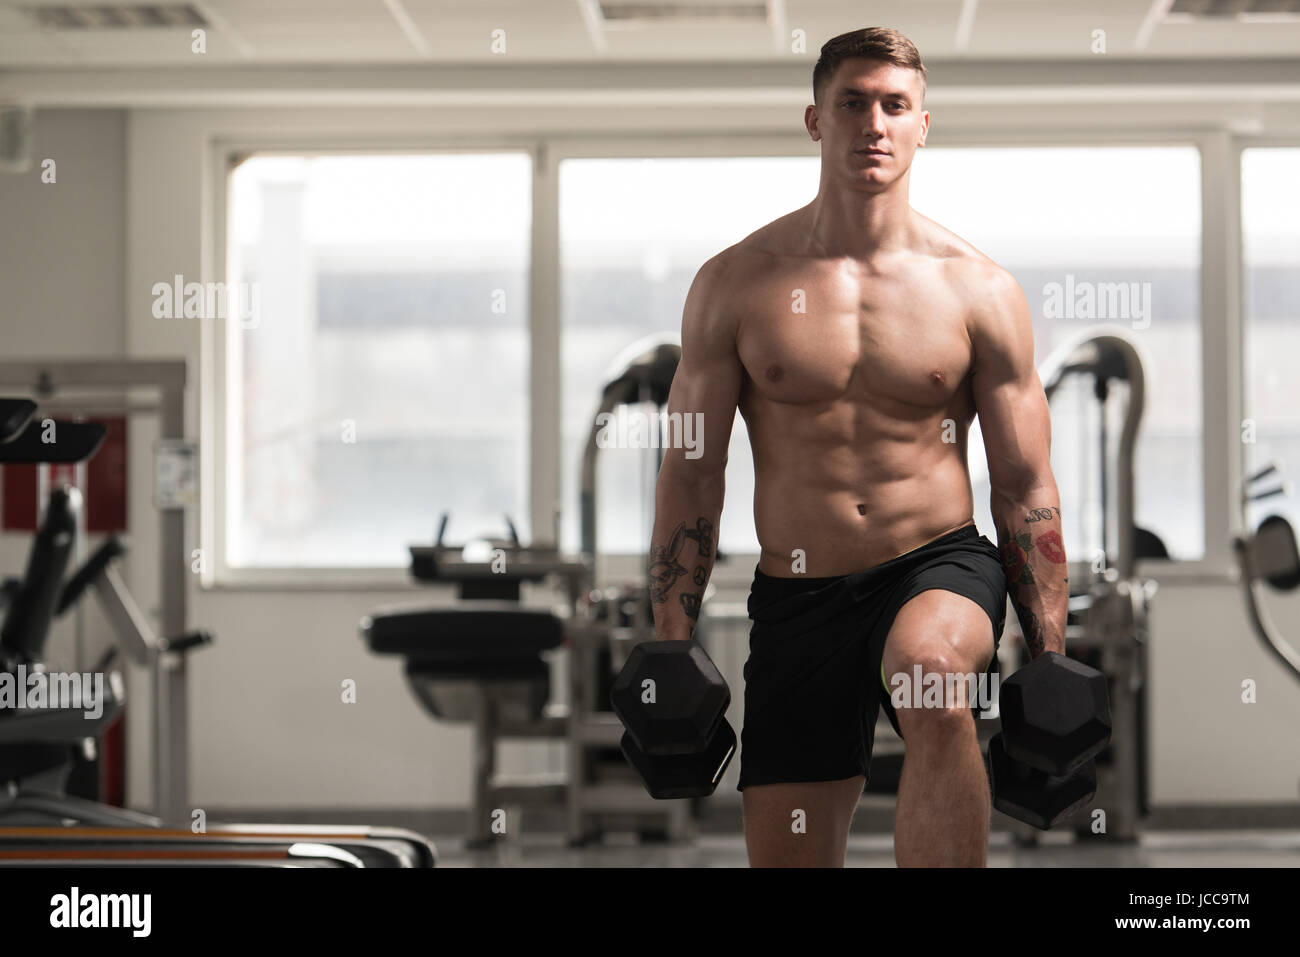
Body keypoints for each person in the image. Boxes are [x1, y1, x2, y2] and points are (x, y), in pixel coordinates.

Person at [646, 26, 1068, 867]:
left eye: (894, 105)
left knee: (935, 674)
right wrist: (668, 636)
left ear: (921, 126)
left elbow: (1023, 483)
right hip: (799, 594)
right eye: (852, 103)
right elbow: (693, 470)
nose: (873, 122)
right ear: (815, 120)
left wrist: (1051, 653)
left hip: (935, 563)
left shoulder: (978, 290)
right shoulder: (734, 283)